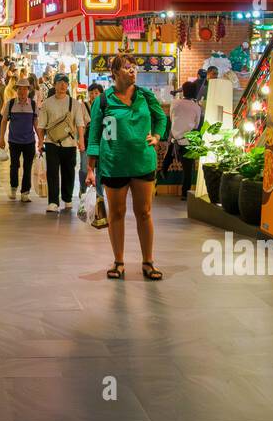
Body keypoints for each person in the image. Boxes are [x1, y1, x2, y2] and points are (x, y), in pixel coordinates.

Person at [85, 53, 169, 281]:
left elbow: (161, 118)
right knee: (117, 213)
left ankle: (148, 261)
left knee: (144, 212)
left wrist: (157, 137)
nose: (133, 71)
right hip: (113, 163)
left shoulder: (145, 96)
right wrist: (91, 168)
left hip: (143, 162)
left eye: (134, 67)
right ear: (114, 73)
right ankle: (118, 261)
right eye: (127, 68)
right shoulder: (102, 101)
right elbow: (94, 136)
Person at [36, 73, 82, 214]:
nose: (63, 85)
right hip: (51, 144)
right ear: (54, 85)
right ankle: (53, 202)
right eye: (60, 82)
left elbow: (80, 124)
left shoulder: (74, 103)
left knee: (69, 172)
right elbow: (41, 125)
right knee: (52, 173)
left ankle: (67, 199)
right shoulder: (47, 103)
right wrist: (40, 141)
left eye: (65, 82)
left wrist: (82, 142)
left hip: (70, 144)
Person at [0, 78, 38, 203]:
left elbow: (36, 123)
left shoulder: (33, 104)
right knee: (14, 166)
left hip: (29, 141)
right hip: (14, 141)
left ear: (28, 90)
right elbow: (4, 121)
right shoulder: (10, 104)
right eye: (19, 89)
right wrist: (1, 139)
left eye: (24, 89)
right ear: (16, 90)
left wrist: (41, 140)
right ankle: (13, 188)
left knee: (28, 167)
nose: (22, 91)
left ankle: (25, 192)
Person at [168, 79, 204, 200]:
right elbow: (196, 124)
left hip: (174, 141)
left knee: (166, 162)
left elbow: (171, 118)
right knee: (188, 170)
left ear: (183, 91)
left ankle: (157, 185)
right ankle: (185, 194)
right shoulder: (197, 107)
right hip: (188, 141)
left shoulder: (174, 103)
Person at [76, 83, 103, 207]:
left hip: (101, 142)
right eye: (91, 93)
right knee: (84, 167)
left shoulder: (104, 106)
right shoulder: (83, 106)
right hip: (87, 142)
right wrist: (79, 139)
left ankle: (99, 194)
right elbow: (80, 123)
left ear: (101, 94)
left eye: (96, 93)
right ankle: (83, 189)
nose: (93, 95)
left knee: (99, 169)